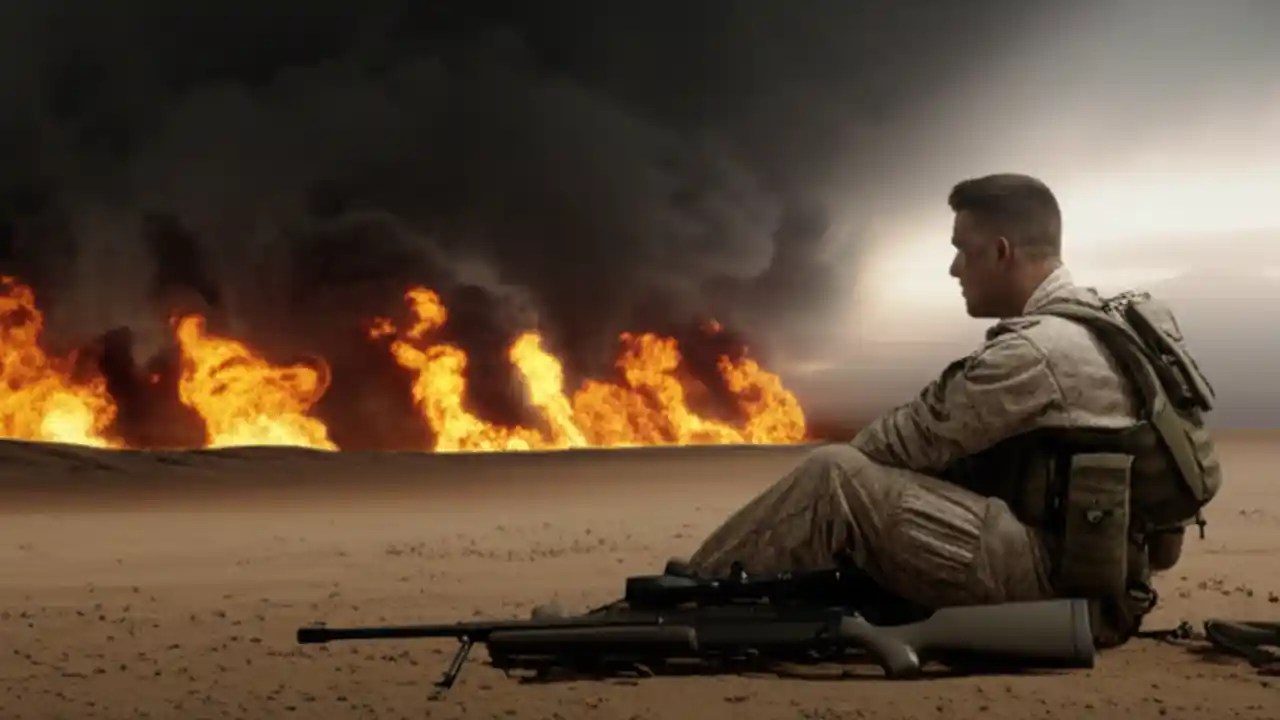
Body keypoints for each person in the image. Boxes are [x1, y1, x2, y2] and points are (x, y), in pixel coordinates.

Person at [684, 173, 1222, 647]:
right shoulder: (1113, 321)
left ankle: (688, 593)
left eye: (963, 250)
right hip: (1109, 577)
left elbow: (896, 444)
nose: (953, 268)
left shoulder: (1035, 351)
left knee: (834, 477)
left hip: (1057, 582)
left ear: (1002, 252)